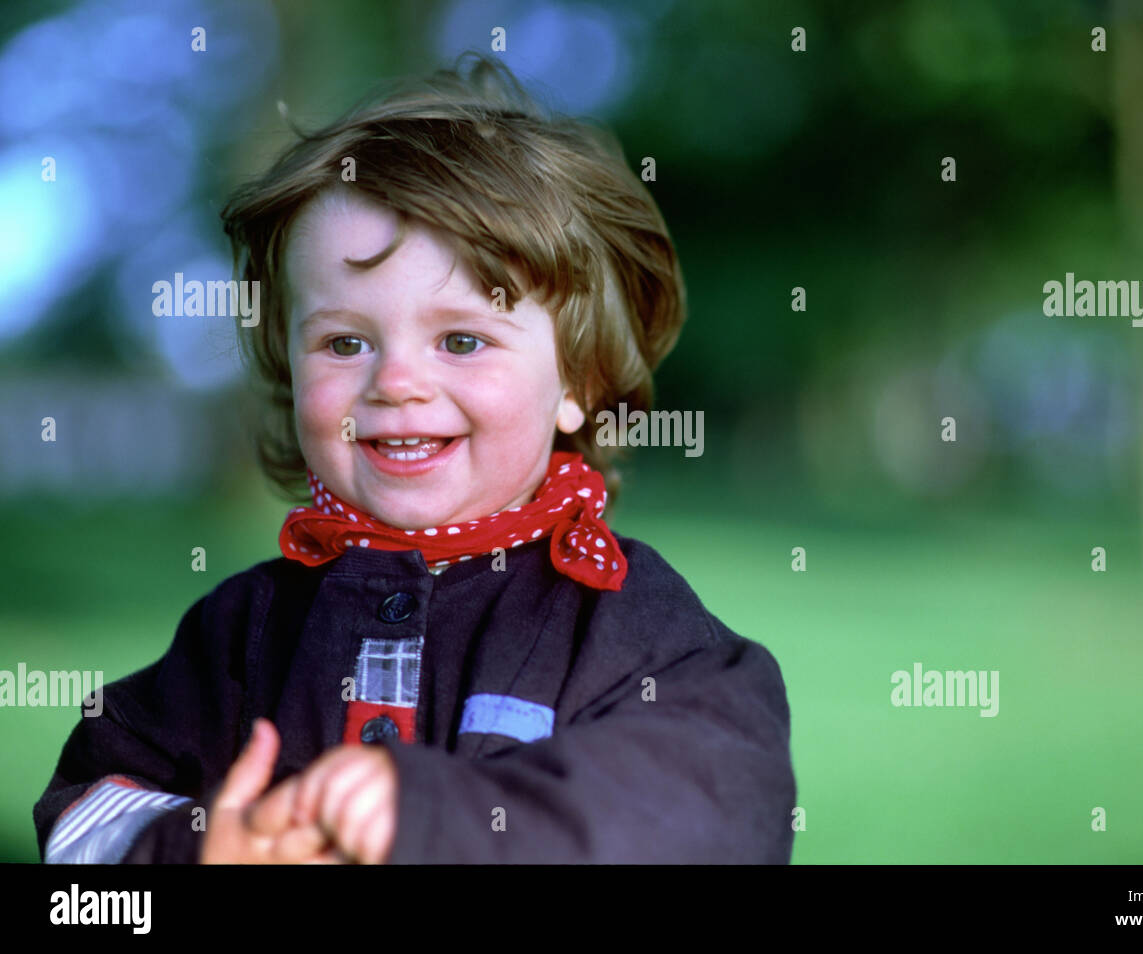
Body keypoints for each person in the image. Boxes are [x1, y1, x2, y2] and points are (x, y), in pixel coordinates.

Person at [33, 51, 796, 864]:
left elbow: (724, 807)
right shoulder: (243, 636)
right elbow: (86, 824)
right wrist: (195, 846)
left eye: (461, 340)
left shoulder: (623, 624)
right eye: (345, 341)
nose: (395, 381)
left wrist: (439, 816)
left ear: (577, 378)